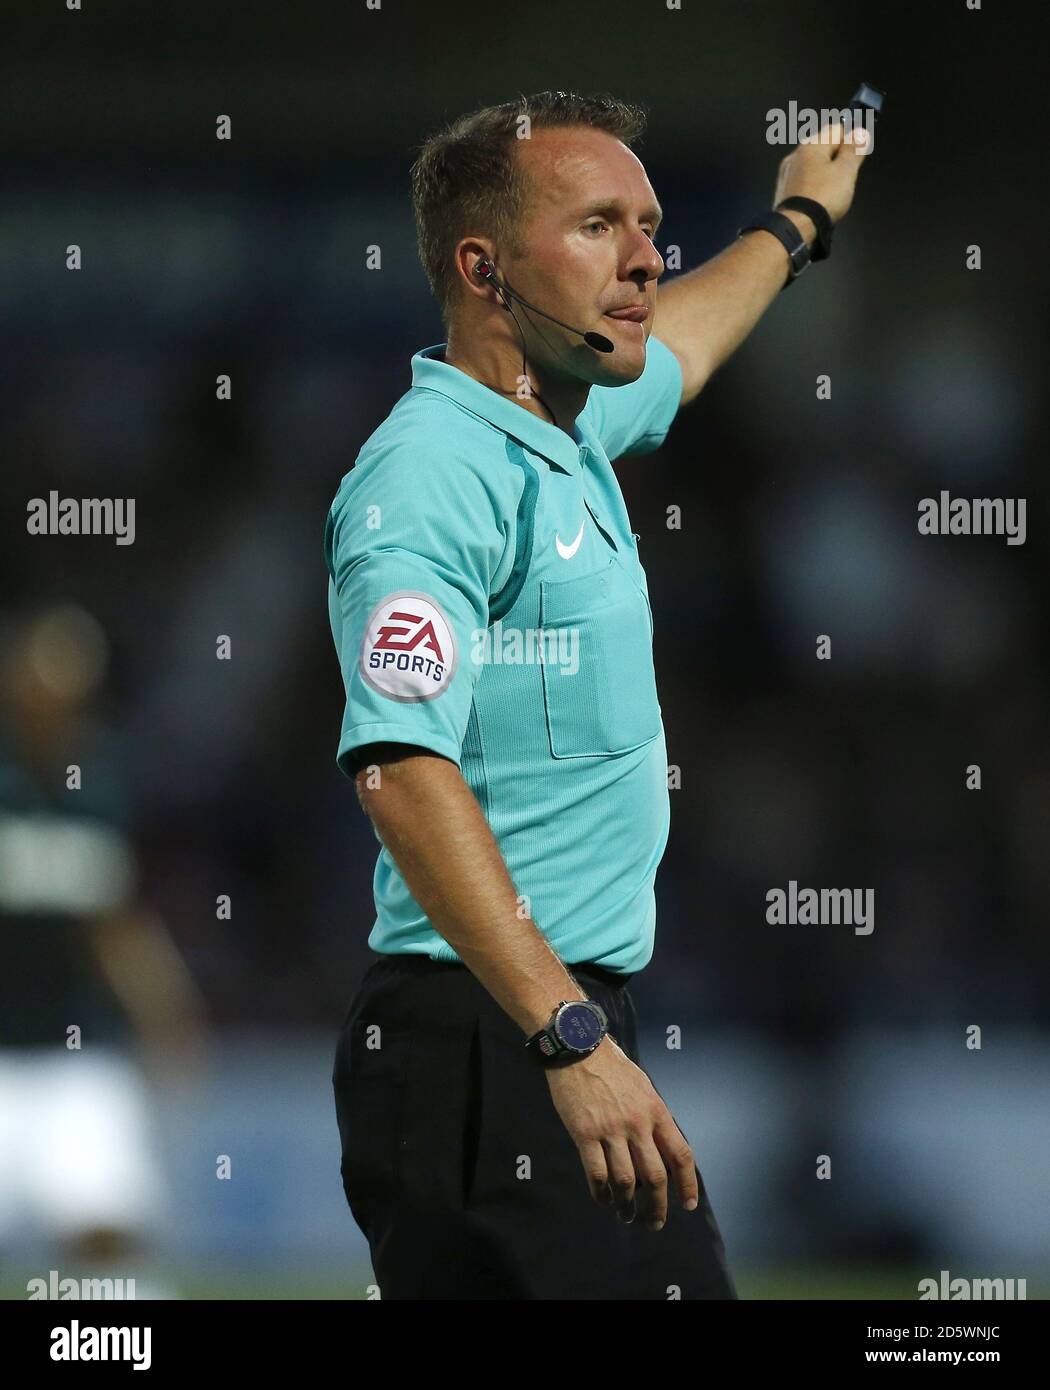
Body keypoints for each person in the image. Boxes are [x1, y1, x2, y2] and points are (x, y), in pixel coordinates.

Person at [325, 90, 868, 1299]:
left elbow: (687, 341)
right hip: (497, 1029)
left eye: (652, 224)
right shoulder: (431, 478)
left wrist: (795, 220)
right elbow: (402, 772)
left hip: (515, 1024)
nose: (645, 256)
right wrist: (569, 1039)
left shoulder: (560, 422)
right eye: (599, 226)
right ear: (484, 268)